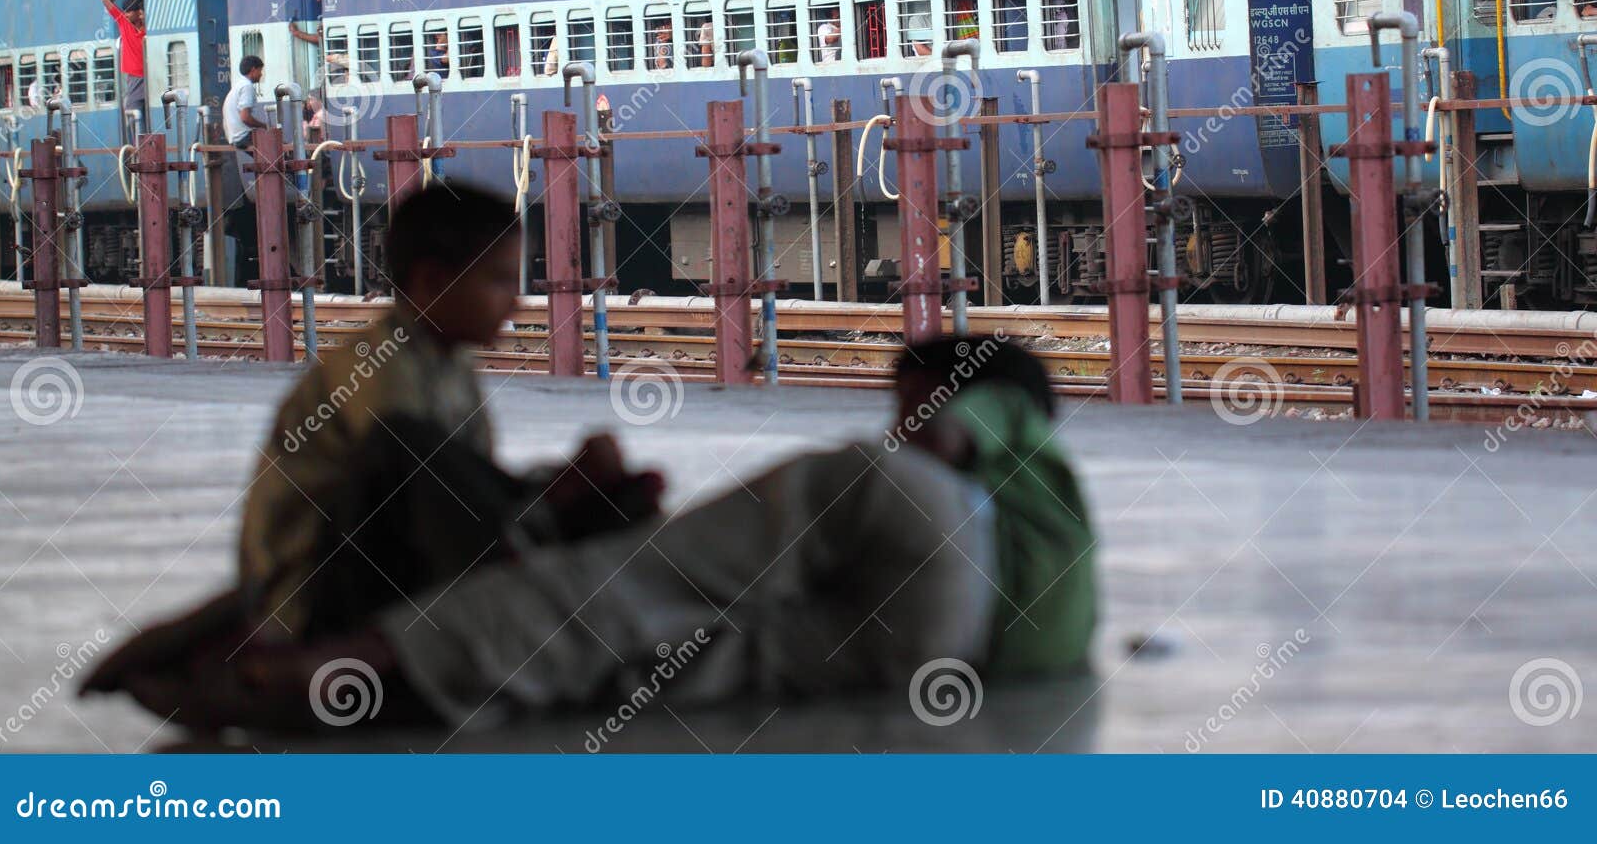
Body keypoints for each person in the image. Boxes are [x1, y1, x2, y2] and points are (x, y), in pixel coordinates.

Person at [84, 333, 1096, 733]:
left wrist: (921, 428)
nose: (900, 420)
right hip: (944, 651)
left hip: (932, 554)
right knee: (669, 650)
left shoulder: (1003, 414)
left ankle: (328, 660)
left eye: (908, 400)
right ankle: (360, 679)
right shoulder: (1056, 514)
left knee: (633, 581)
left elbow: (941, 442)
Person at [222, 55, 268, 199]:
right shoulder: (247, 87)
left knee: (271, 153)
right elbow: (245, 117)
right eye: (260, 70)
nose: (261, 74)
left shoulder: (237, 86)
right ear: (253, 70)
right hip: (243, 136)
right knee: (280, 149)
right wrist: (264, 126)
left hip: (234, 136)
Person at [102, 0, 146, 121]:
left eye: (129, 12)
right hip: (134, 77)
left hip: (148, 75)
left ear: (139, 13)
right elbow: (106, 0)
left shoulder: (147, 29)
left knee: (135, 110)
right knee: (133, 111)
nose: (125, 15)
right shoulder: (124, 24)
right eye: (125, 11)